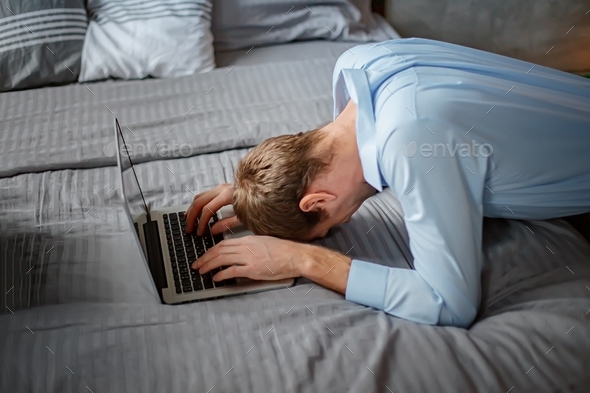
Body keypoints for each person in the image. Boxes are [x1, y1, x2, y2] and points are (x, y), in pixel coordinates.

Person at [185, 38, 590, 328]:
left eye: (332, 225)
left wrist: (302, 259)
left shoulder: (412, 142)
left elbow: (450, 304)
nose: (343, 224)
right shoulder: (358, 61)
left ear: (315, 201)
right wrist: (256, 191)